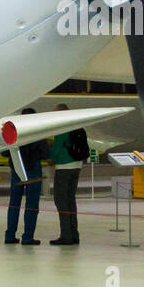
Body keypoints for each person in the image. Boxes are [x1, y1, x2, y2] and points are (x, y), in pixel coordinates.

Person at [5, 107, 47, 246]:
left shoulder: (14, 129)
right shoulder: (38, 130)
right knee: (32, 203)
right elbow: (45, 152)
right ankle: (28, 237)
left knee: (14, 202)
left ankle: (10, 235)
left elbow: (4, 151)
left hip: (16, 168)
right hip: (33, 169)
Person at [48, 103, 87, 246]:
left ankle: (66, 235)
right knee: (70, 199)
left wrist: (49, 156)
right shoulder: (76, 125)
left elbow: (57, 150)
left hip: (64, 167)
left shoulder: (62, 127)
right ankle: (74, 234)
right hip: (77, 166)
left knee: (60, 200)